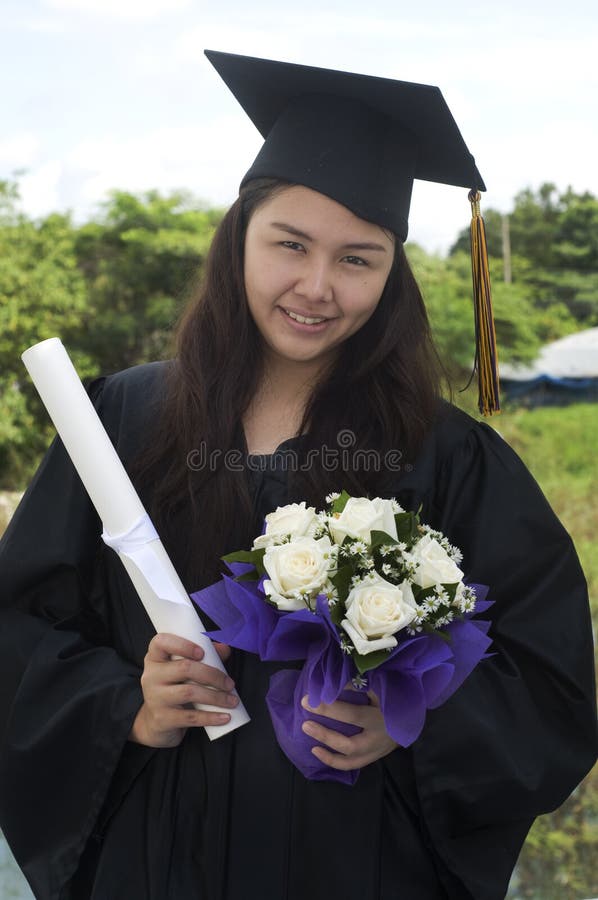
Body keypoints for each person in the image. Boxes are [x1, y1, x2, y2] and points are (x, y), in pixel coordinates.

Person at [0, 50, 596, 900]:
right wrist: (121, 704)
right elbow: (20, 625)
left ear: (393, 275)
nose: (317, 288)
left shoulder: (445, 453)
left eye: (359, 259)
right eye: (290, 244)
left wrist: (413, 720)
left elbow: (549, 676)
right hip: (157, 855)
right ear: (238, 236)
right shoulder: (122, 423)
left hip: (359, 862)